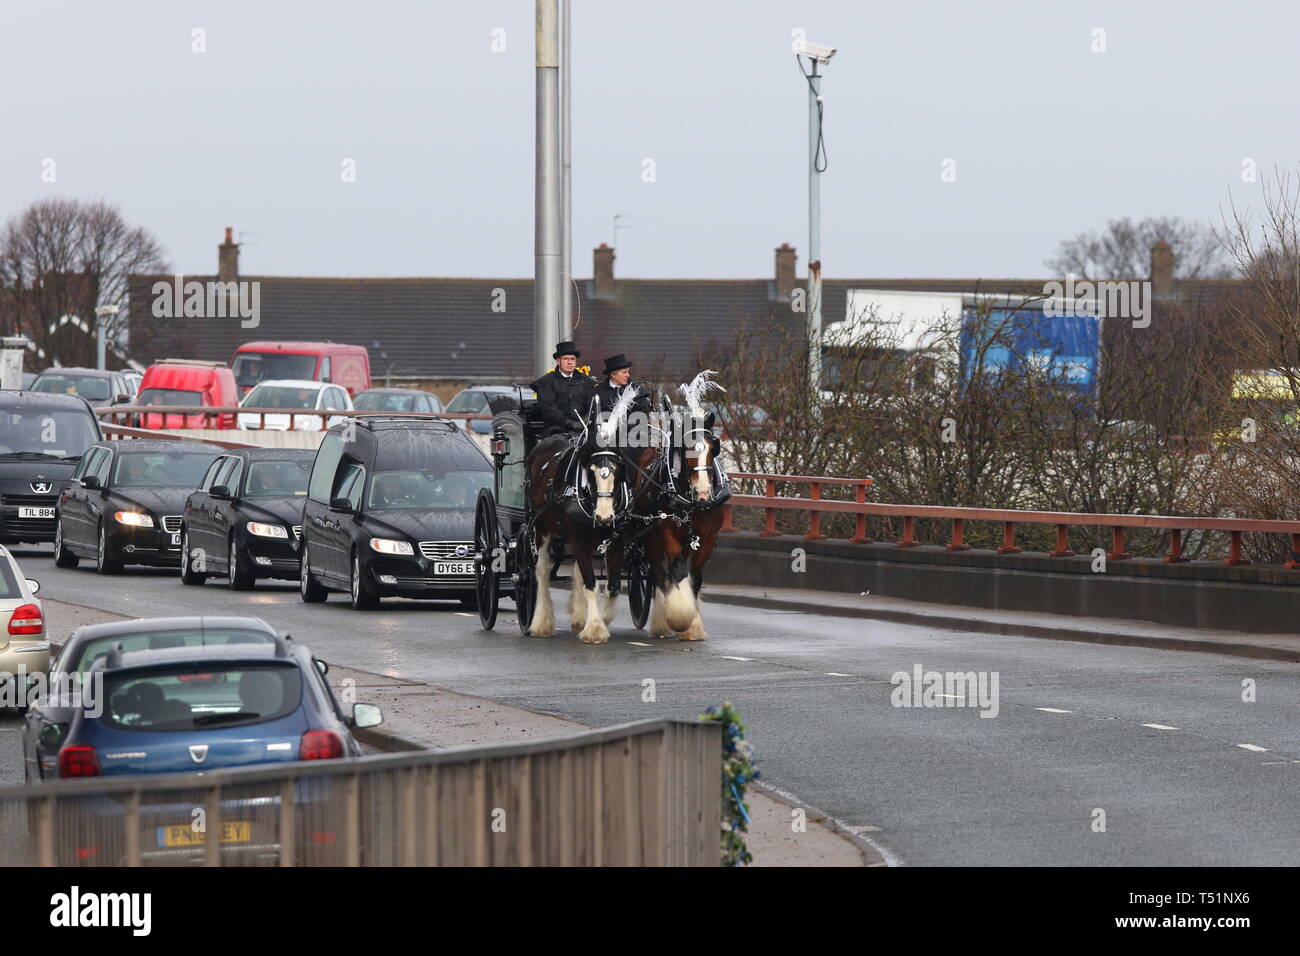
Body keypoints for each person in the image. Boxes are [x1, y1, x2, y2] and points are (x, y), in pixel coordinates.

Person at [531, 341, 597, 438]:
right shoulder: (546, 382)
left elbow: (592, 404)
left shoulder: (587, 381)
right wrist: (568, 423)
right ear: (558, 361)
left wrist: (585, 420)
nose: (570, 362)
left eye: (572, 359)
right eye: (566, 359)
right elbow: (548, 408)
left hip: (584, 431)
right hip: (555, 431)